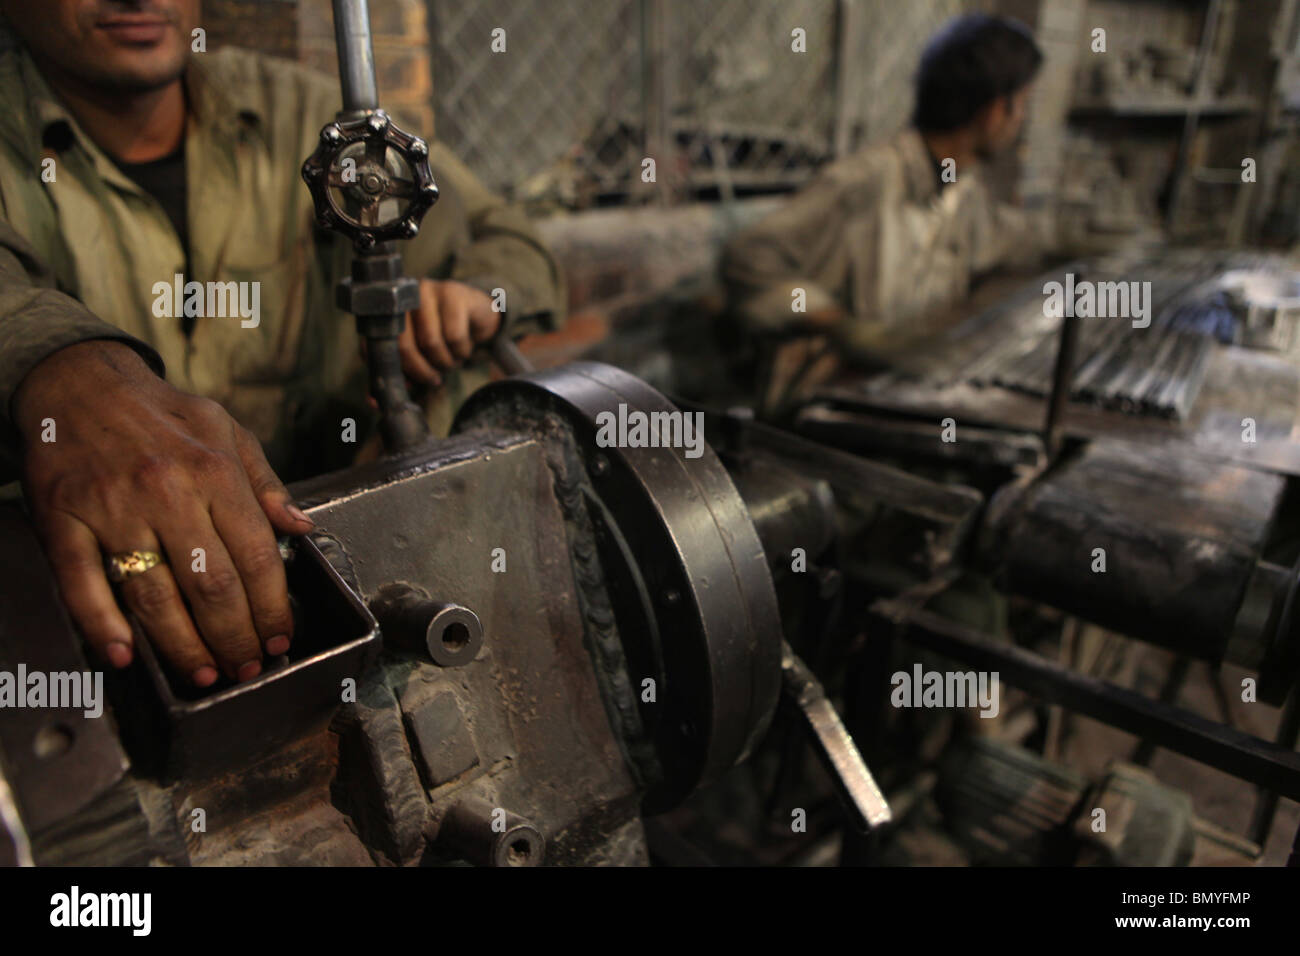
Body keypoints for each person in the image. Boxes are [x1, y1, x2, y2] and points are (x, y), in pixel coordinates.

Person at [0, 0, 564, 688]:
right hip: (103, 633)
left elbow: (512, 243)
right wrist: (59, 371)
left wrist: (474, 295)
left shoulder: (307, 121)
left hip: (341, 566)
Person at [721, 13, 1053, 358]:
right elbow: (748, 258)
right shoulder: (864, 181)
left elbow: (1005, 237)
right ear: (996, 109)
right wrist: (836, 323)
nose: (1021, 120)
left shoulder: (958, 186)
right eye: (1023, 104)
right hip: (836, 387)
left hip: (897, 379)